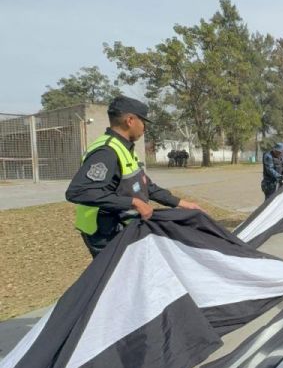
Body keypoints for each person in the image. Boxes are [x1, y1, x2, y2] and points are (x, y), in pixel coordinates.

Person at [66, 96, 202, 257]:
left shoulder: (125, 149)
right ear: (130, 120)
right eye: (143, 122)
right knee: (119, 279)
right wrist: (133, 202)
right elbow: (78, 191)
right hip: (104, 232)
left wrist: (182, 203)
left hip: (122, 227)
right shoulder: (106, 152)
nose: (145, 128)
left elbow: (146, 186)